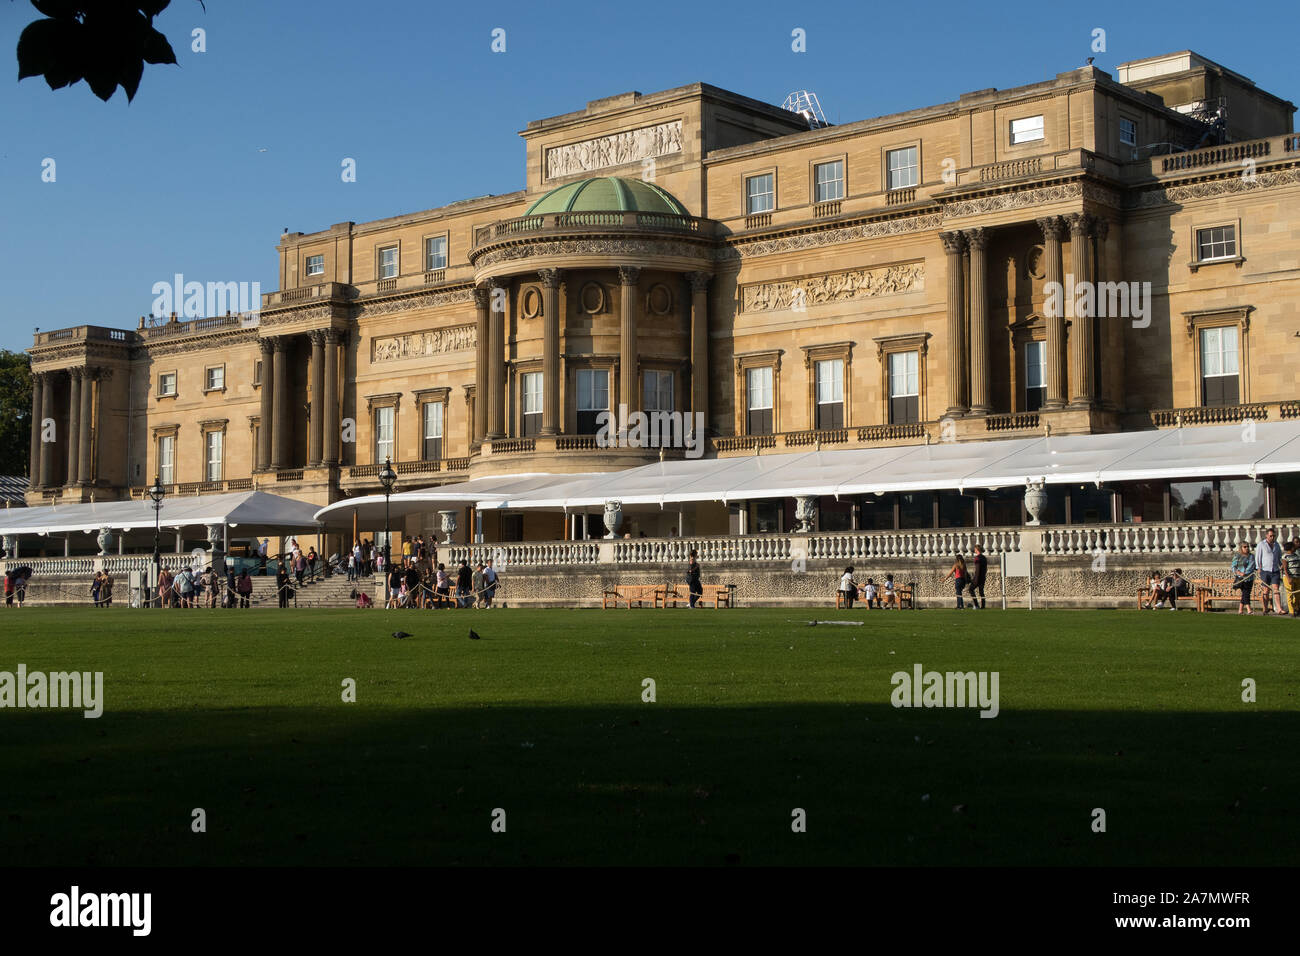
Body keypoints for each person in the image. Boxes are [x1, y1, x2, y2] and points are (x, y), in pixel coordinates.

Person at [1255, 528, 1284, 615]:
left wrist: (1281, 565)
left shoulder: (1277, 545)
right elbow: (1258, 557)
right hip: (1265, 570)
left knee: (1276, 589)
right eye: (1270, 536)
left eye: (1273, 536)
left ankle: (1279, 609)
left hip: (1275, 570)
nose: (1272, 537)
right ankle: (1265, 608)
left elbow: (1279, 557)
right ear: (1267, 535)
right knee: (1266, 590)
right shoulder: (1261, 544)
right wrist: (1258, 568)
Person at [1231, 542, 1256, 615]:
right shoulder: (1237, 556)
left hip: (1249, 578)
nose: (1246, 548)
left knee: (1246, 593)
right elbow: (1233, 566)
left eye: (1247, 546)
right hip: (1240, 578)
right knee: (1246, 593)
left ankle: (1240, 609)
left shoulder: (1251, 556)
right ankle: (1249, 609)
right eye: (1244, 547)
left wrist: (1245, 573)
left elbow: (1251, 566)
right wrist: (1238, 572)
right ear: (1241, 548)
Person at [1282, 540, 1300, 618]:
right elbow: (1285, 569)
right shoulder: (1285, 557)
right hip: (1289, 577)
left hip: (1297, 576)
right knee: (1290, 594)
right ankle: (1291, 611)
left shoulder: (1296, 556)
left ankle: (1296, 608)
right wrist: (1288, 578)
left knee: (1297, 594)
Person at [967, 544, 988, 609]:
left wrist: (976, 579)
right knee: (981, 592)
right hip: (982, 577)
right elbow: (986, 568)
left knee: (971, 589)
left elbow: (978, 569)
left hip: (977, 577)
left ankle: (976, 604)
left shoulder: (977, 558)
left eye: (975, 549)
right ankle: (983, 606)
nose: (974, 550)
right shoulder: (984, 558)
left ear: (977, 550)